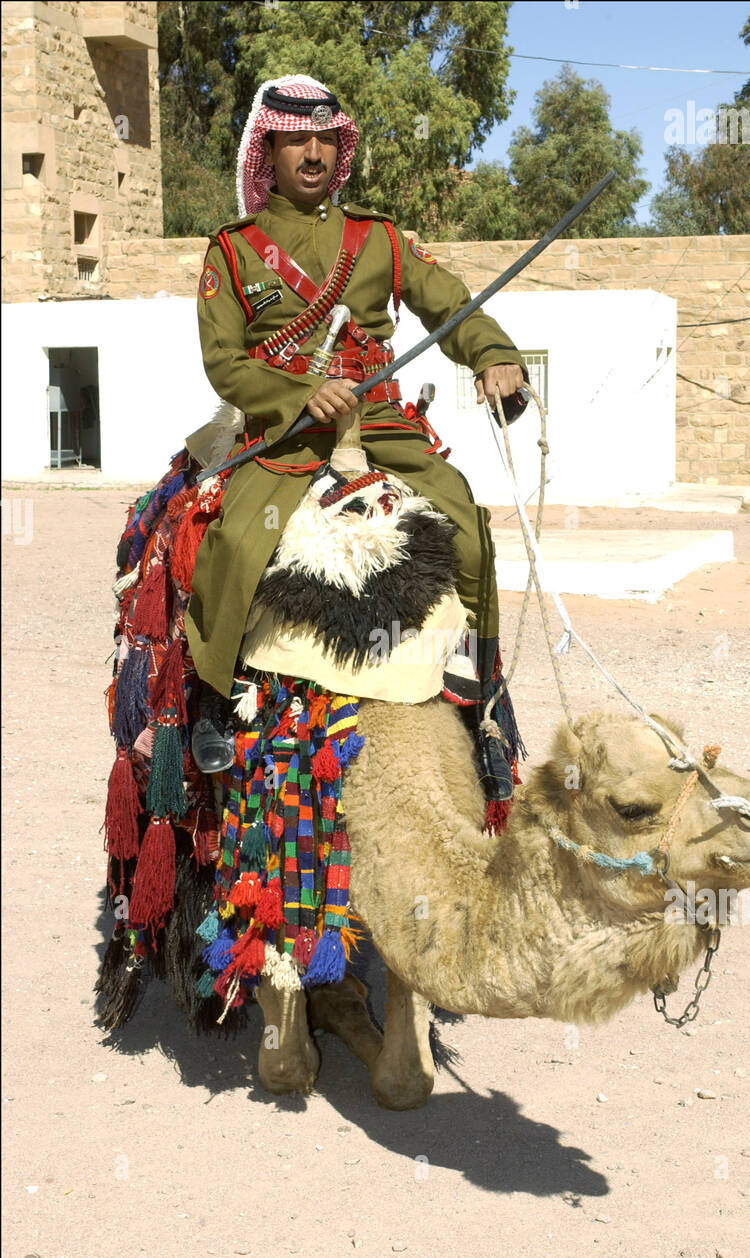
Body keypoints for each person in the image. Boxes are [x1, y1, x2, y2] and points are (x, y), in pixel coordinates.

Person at [184, 74, 527, 804]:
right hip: (285, 425)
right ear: (267, 150)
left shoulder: (378, 240)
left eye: (323, 140)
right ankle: (209, 703)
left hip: (375, 416)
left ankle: (488, 708)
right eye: (295, 139)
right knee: (241, 540)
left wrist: (493, 354)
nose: (311, 152)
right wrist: (298, 393)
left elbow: (450, 307)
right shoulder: (233, 252)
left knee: (465, 523)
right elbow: (224, 362)